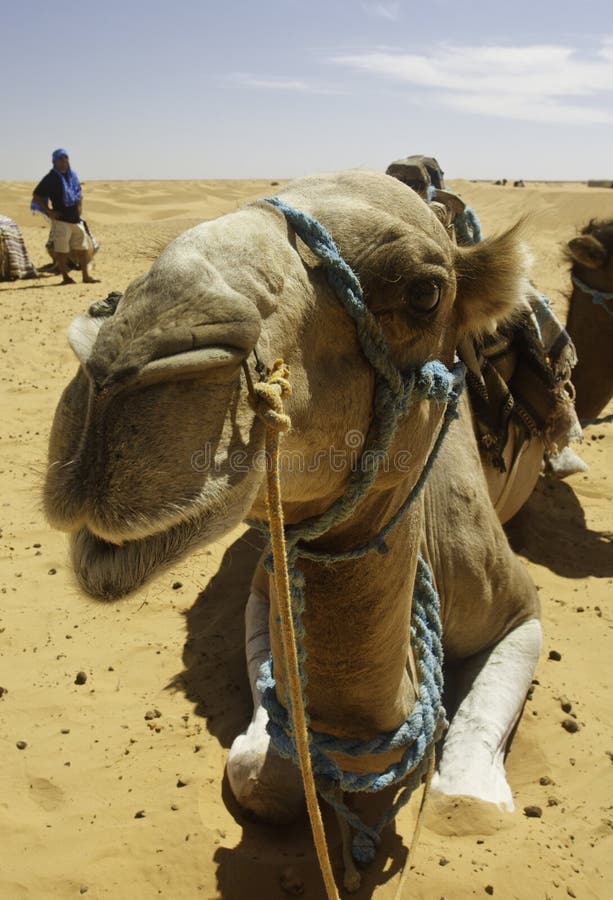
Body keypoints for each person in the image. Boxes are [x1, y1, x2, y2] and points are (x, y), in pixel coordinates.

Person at [31, 149, 99, 285]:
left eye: (65, 158)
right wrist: (49, 210)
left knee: (83, 249)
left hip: (75, 219)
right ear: (54, 161)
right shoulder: (51, 178)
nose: (64, 162)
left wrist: (80, 207)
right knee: (61, 251)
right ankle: (65, 277)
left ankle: (86, 276)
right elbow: (37, 195)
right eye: (60, 159)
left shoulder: (72, 176)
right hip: (61, 220)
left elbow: (79, 192)